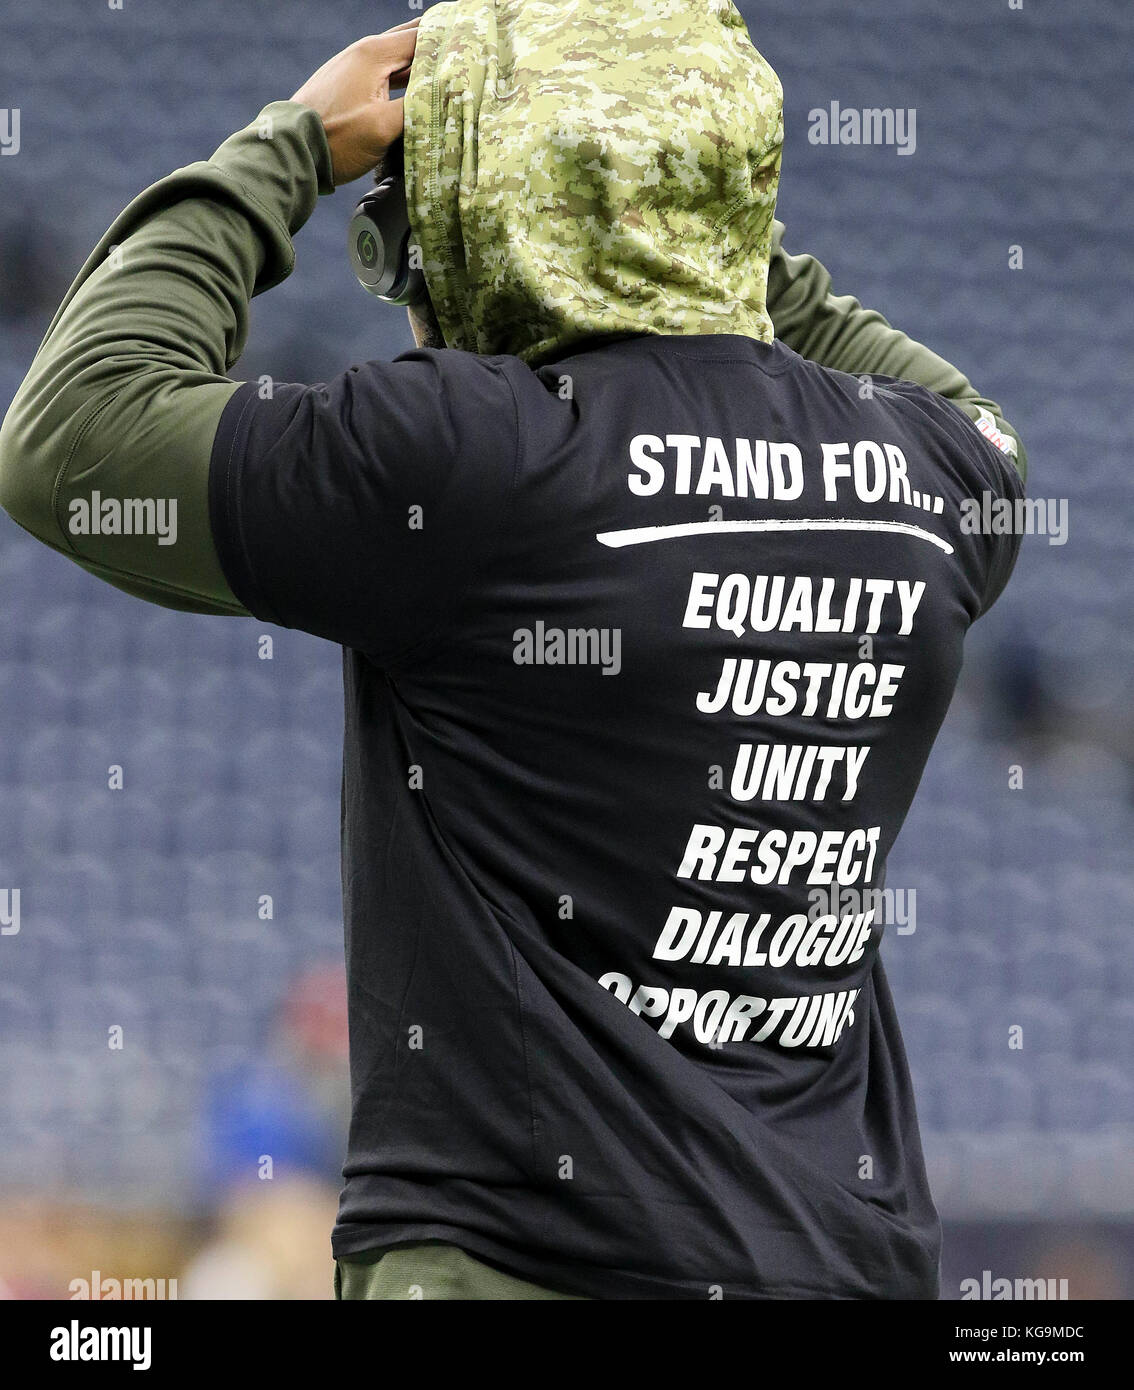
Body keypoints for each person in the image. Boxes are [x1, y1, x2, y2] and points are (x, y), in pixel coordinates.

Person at [0, 1, 1025, 1300]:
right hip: (846, 1266)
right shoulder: (921, 475)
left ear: (487, 216)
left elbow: (75, 437)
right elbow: (979, 428)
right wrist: (675, 198)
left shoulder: (482, 461)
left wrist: (291, 149)